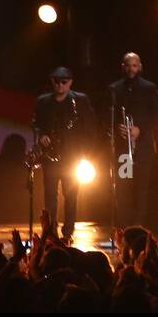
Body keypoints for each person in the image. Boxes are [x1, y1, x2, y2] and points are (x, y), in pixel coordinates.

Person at [32, 66, 96, 242]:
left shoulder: (80, 100)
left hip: (72, 156)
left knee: (71, 194)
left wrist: (85, 154)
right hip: (50, 155)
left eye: (64, 82)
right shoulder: (43, 101)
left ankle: (68, 232)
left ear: (70, 82)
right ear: (52, 81)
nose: (60, 85)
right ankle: (51, 230)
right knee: (50, 195)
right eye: (56, 81)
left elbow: (89, 127)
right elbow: (36, 124)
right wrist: (41, 137)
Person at [107, 53, 158, 227]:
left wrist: (140, 128)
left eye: (134, 65)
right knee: (123, 191)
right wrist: (117, 128)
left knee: (141, 190)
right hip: (123, 149)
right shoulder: (114, 88)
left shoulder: (149, 88)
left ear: (140, 66)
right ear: (122, 66)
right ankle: (124, 230)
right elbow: (107, 116)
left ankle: (138, 228)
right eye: (128, 65)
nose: (131, 69)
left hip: (142, 149)